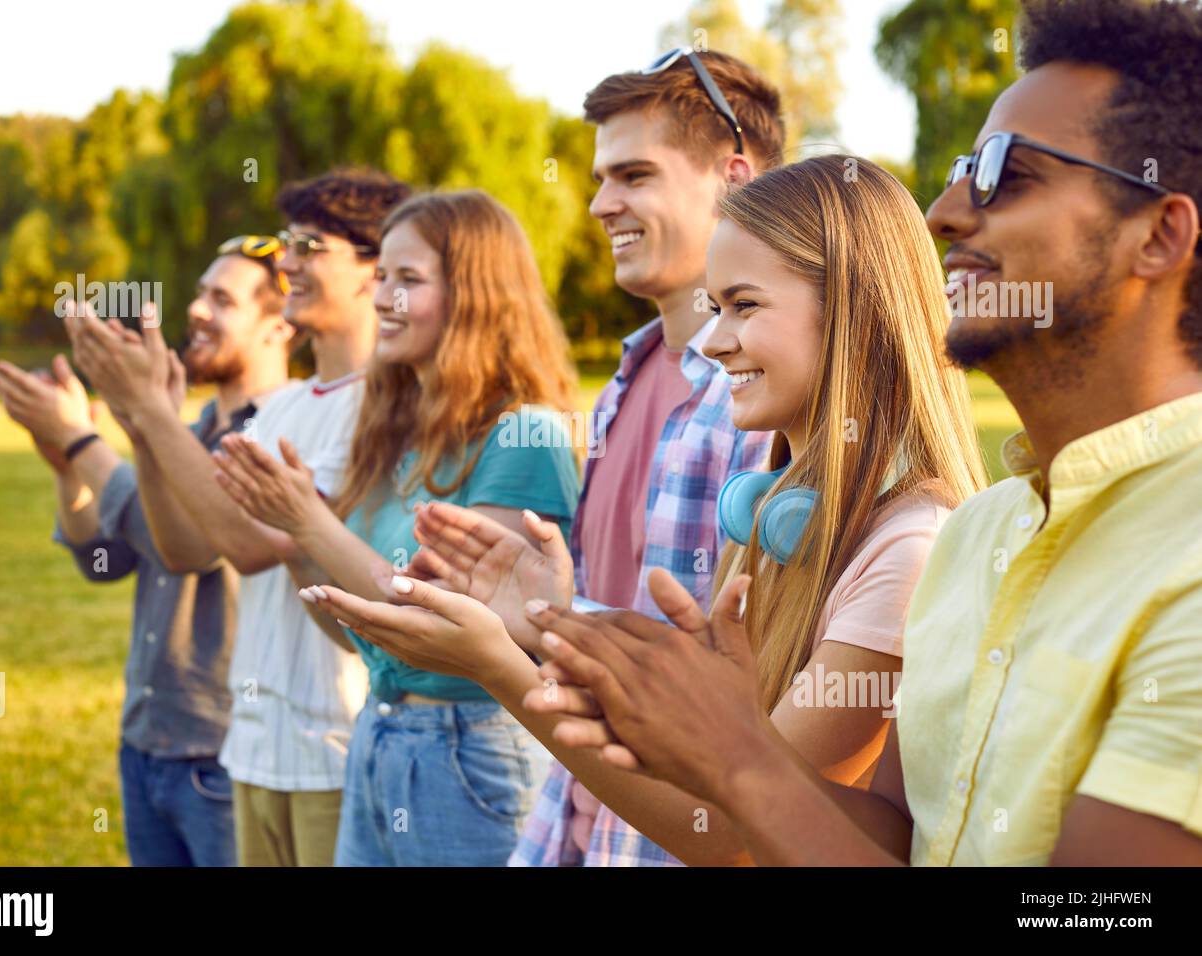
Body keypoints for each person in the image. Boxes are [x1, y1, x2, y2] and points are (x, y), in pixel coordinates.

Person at [494, 0, 1202, 866]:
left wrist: (732, 756)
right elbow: (898, 837)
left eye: (1003, 176)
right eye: (957, 171)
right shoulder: (981, 537)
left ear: (1159, 235)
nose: (942, 212)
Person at [306, 152, 990, 866]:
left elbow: (731, 827)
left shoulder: (907, 550)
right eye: (715, 307)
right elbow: (693, 743)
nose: (716, 341)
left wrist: (501, 669)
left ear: (852, 307)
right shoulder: (779, 510)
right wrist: (555, 623)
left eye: (744, 306)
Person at [361, 48, 784, 867]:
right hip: (581, 822)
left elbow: (764, 666)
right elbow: (609, 628)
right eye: (599, 178)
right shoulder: (623, 382)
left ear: (733, 178)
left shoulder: (770, 393)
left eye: (633, 176)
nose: (599, 204)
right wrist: (544, 618)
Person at [214, 190, 581, 866]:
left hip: (469, 751)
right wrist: (298, 546)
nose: (383, 297)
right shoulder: (398, 430)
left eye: (408, 280)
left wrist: (308, 523)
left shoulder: (524, 433)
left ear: (475, 296)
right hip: (379, 733)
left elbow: (446, 632)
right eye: (382, 275)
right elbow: (365, 640)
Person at [65, 168, 411, 866]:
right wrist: (143, 421)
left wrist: (151, 414)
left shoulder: (385, 408)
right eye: (288, 245)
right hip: (251, 750)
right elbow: (191, 544)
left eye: (310, 247)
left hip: (329, 754)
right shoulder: (283, 409)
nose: (289, 264)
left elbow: (255, 544)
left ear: (377, 266)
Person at [0, 239, 294, 865]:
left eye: (223, 299)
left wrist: (80, 439)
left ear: (278, 328)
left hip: (221, 752)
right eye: (201, 292)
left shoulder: (279, 435)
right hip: (146, 741)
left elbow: (191, 547)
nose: (197, 309)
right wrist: (66, 469)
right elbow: (107, 558)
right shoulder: (195, 428)